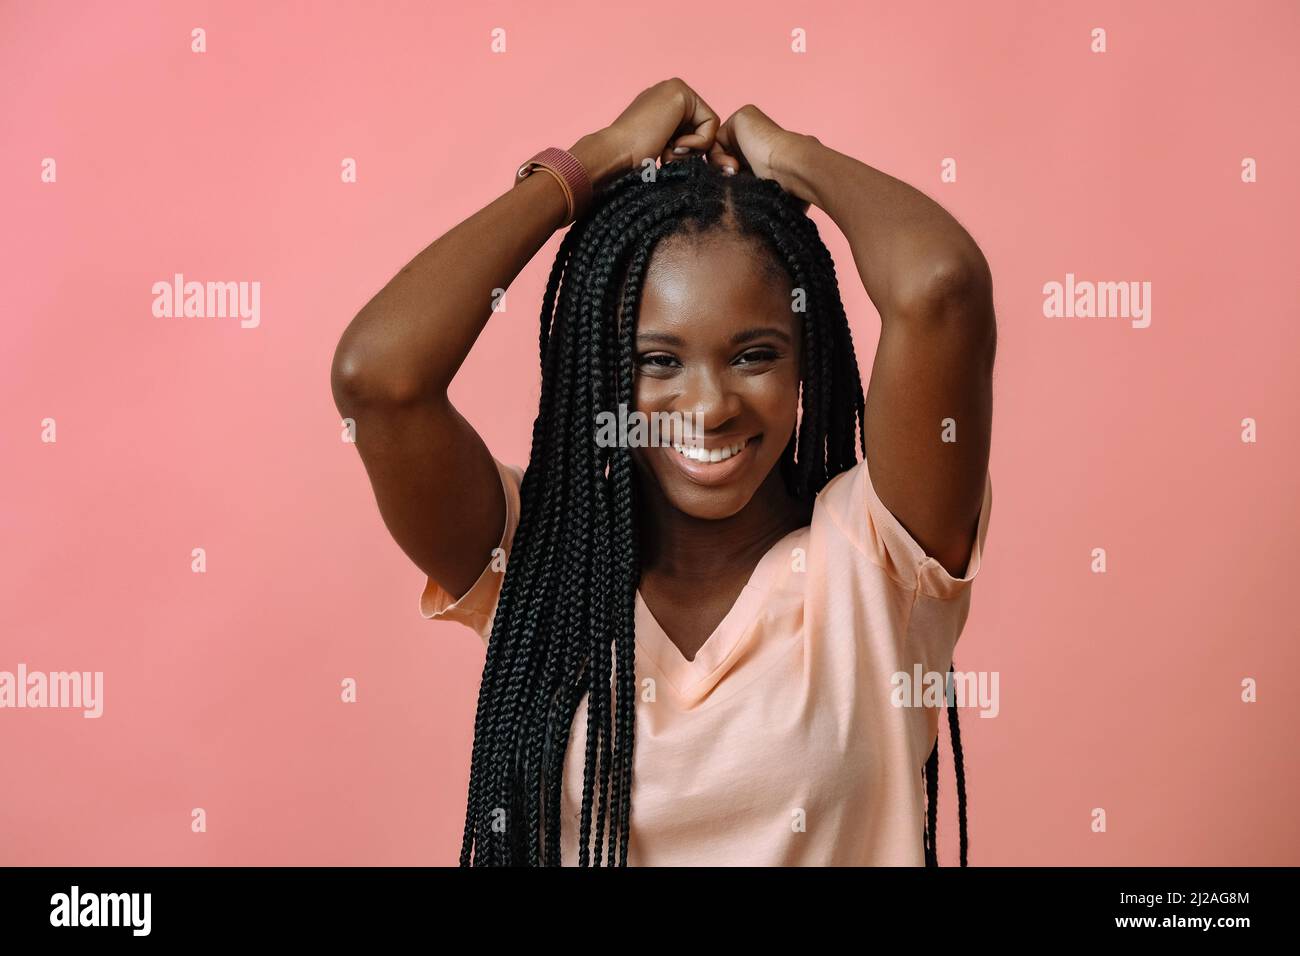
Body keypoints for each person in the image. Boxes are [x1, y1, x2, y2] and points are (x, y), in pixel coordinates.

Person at [331, 78, 996, 866]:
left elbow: (940, 286)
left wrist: (790, 156)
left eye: (755, 355)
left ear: (805, 359)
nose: (708, 407)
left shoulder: (878, 559)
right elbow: (377, 378)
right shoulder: (542, 565)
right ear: (602, 369)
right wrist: (587, 165)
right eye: (657, 360)